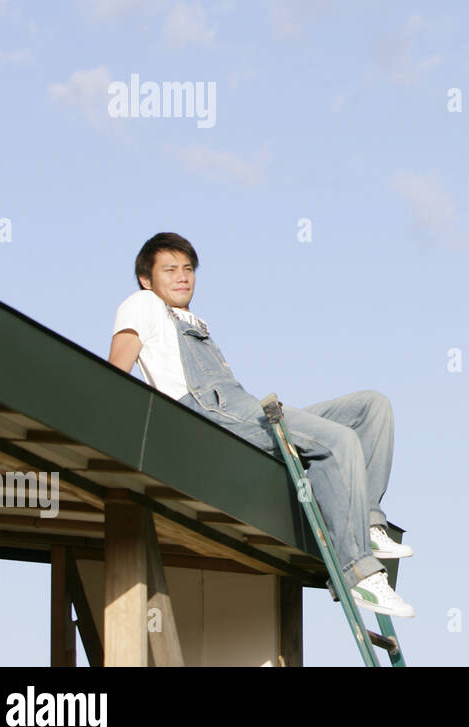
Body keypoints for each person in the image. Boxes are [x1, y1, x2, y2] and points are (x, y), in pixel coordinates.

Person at [106, 231, 414, 618]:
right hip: (209, 412)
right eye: (170, 270)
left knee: (372, 407)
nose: (183, 276)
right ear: (146, 279)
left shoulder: (194, 321)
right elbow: (115, 373)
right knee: (337, 441)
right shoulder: (143, 304)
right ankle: (357, 574)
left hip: (244, 406)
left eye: (188, 268)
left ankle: (367, 523)